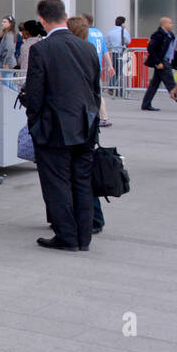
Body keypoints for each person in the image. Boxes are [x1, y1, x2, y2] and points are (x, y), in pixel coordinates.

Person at [20, 0, 101, 252]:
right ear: (65, 17)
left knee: (57, 183)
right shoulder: (87, 48)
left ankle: (66, 236)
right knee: (82, 181)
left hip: (53, 129)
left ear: (42, 21)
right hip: (85, 126)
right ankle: (83, 237)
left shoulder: (41, 50)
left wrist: (34, 123)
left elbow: (34, 94)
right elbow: (95, 91)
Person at [68, 18, 106, 235]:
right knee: (84, 173)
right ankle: (94, 218)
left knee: (79, 175)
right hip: (89, 121)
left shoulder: (75, 56)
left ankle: (91, 218)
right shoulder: (89, 52)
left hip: (78, 123)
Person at [140, 16, 177, 112]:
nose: (172, 25)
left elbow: (173, 50)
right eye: (170, 23)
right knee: (171, 84)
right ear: (164, 24)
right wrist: (157, 62)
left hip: (167, 62)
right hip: (162, 63)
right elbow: (151, 49)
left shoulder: (170, 35)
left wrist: (175, 63)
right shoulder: (158, 35)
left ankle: (146, 104)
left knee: (154, 84)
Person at [105, 15, 128, 96]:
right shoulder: (124, 31)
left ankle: (111, 86)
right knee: (122, 72)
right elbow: (128, 41)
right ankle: (122, 89)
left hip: (114, 52)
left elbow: (108, 42)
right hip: (122, 52)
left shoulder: (110, 32)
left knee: (114, 70)